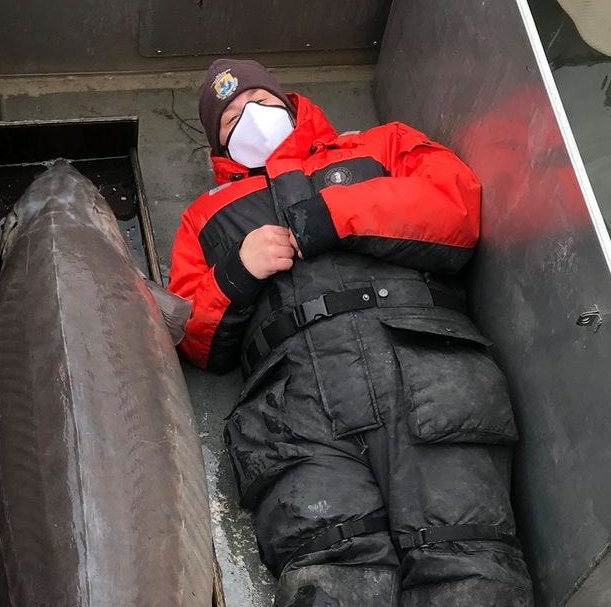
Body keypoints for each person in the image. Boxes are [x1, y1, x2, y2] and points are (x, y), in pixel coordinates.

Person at [168, 59, 534, 606]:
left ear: (287, 102)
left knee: (466, 557)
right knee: (331, 576)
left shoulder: (384, 144)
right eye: (232, 119)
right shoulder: (203, 217)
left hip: (422, 372)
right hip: (296, 410)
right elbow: (192, 335)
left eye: (260, 102)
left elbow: (456, 207)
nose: (250, 118)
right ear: (219, 148)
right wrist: (237, 272)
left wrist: (337, 214)